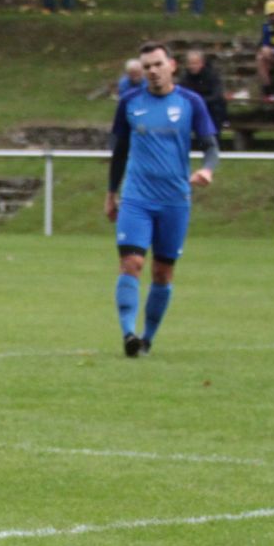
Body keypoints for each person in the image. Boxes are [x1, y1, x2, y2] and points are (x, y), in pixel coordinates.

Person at [106, 41, 219, 359]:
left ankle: (147, 338)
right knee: (132, 262)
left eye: (157, 64)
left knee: (162, 272)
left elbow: (210, 146)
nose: (152, 71)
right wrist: (110, 193)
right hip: (136, 198)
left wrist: (207, 171)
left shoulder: (190, 102)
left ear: (172, 66)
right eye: (146, 66)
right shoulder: (129, 102)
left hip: (174, 200)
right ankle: (128, 332)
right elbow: (120, 152)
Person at [180, 48, 227, 132]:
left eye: (195, 63)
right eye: (190, 63)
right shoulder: (185, 77)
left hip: (212, 111)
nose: (192, 66)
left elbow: (217, 95)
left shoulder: (212, 75)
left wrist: (200, 101)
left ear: (201, 63)